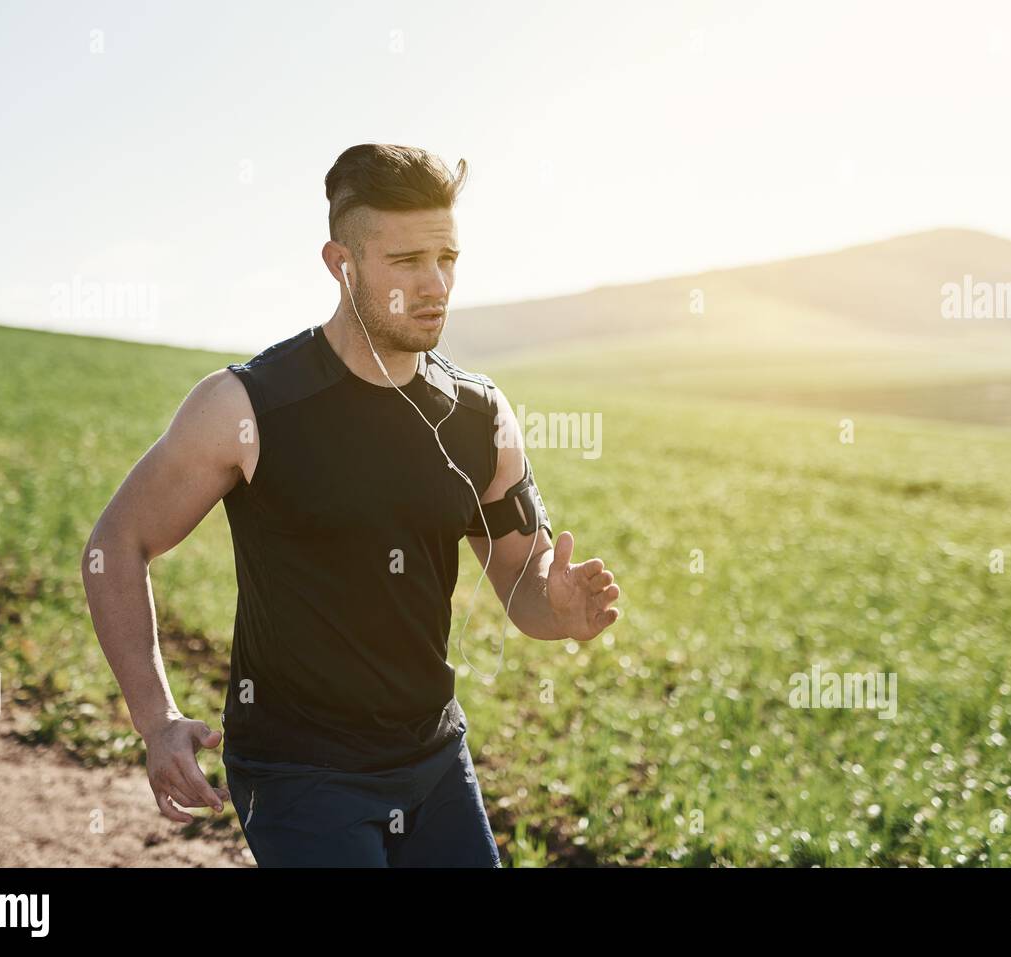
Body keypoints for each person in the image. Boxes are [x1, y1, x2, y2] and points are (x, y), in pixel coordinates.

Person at [81, 143, 622, 866]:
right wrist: (157, 719)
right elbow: (116, 544)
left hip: (433, 759)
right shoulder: (247, 405)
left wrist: (559, 612)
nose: (436, 285)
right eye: (405, 262)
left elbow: (522, 587)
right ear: (341, 263)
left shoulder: (481, 415)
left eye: (447, 258)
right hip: (296, 769)